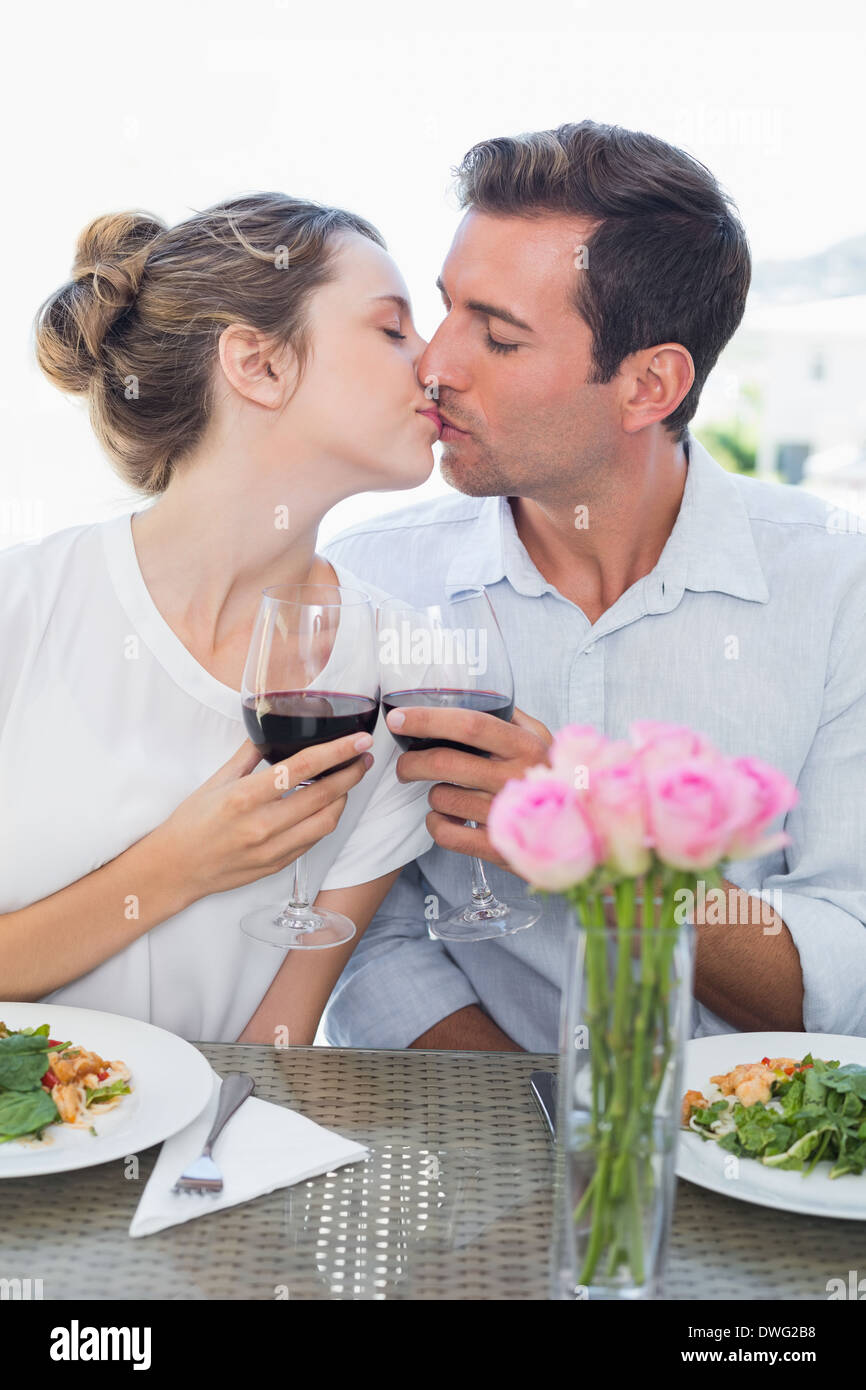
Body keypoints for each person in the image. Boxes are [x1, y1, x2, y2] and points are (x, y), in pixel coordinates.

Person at [320, 120, 866, 1051]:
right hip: (480, 1143)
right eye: (447, 308)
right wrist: (547, 1129)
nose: (435, 364)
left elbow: (835, 987)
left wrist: (606, 840)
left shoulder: (837, 589)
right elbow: (370, 944)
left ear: (648, 385)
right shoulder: (375, 577)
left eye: (496, 336)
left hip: (743, 1151)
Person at [0, 193, 443, 1044]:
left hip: (212, 1163)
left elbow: (276, 1048)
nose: (437, 363)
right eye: (392, 330)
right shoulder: (25, 611)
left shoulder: (396, 675)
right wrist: (179, 867)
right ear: (260, 364)